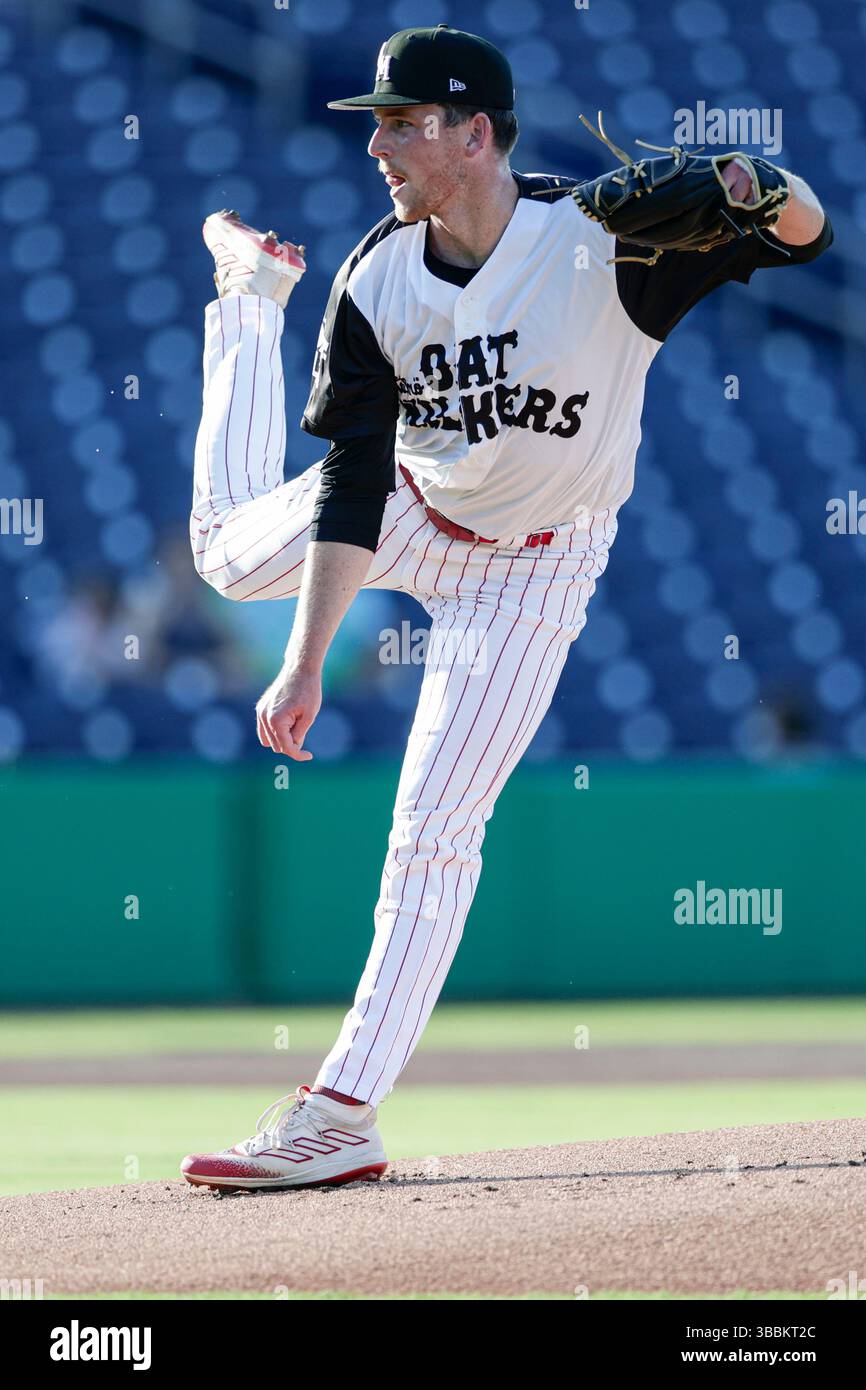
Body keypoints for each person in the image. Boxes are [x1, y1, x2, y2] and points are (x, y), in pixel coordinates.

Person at [180, 25, 831, 1190]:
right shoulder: (374, 278)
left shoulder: (606, 241)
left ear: (473, 132)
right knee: (225, 561)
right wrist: (306, 657)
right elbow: (352, 480)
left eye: (402, 121)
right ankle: (246, 295)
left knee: (433, 827)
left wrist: (762, 184)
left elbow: (806, 235)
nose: (377, 143)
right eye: (375, 121)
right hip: (416, 505)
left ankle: (339, 1111)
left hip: (537, 562)